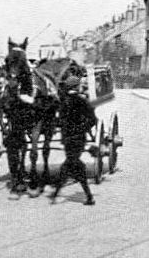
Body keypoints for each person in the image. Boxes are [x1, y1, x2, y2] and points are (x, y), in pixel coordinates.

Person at [50, 75, 96, 206]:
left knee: (69, 165)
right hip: (79, 139)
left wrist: (63, 127)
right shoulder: (83, 101)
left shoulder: (63, 102)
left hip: (68, 139)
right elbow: (93, 120)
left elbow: (59, 121)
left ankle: (57, 194)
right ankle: (88, 196)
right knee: (72, 164)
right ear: (77, 87)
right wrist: (82, 128)